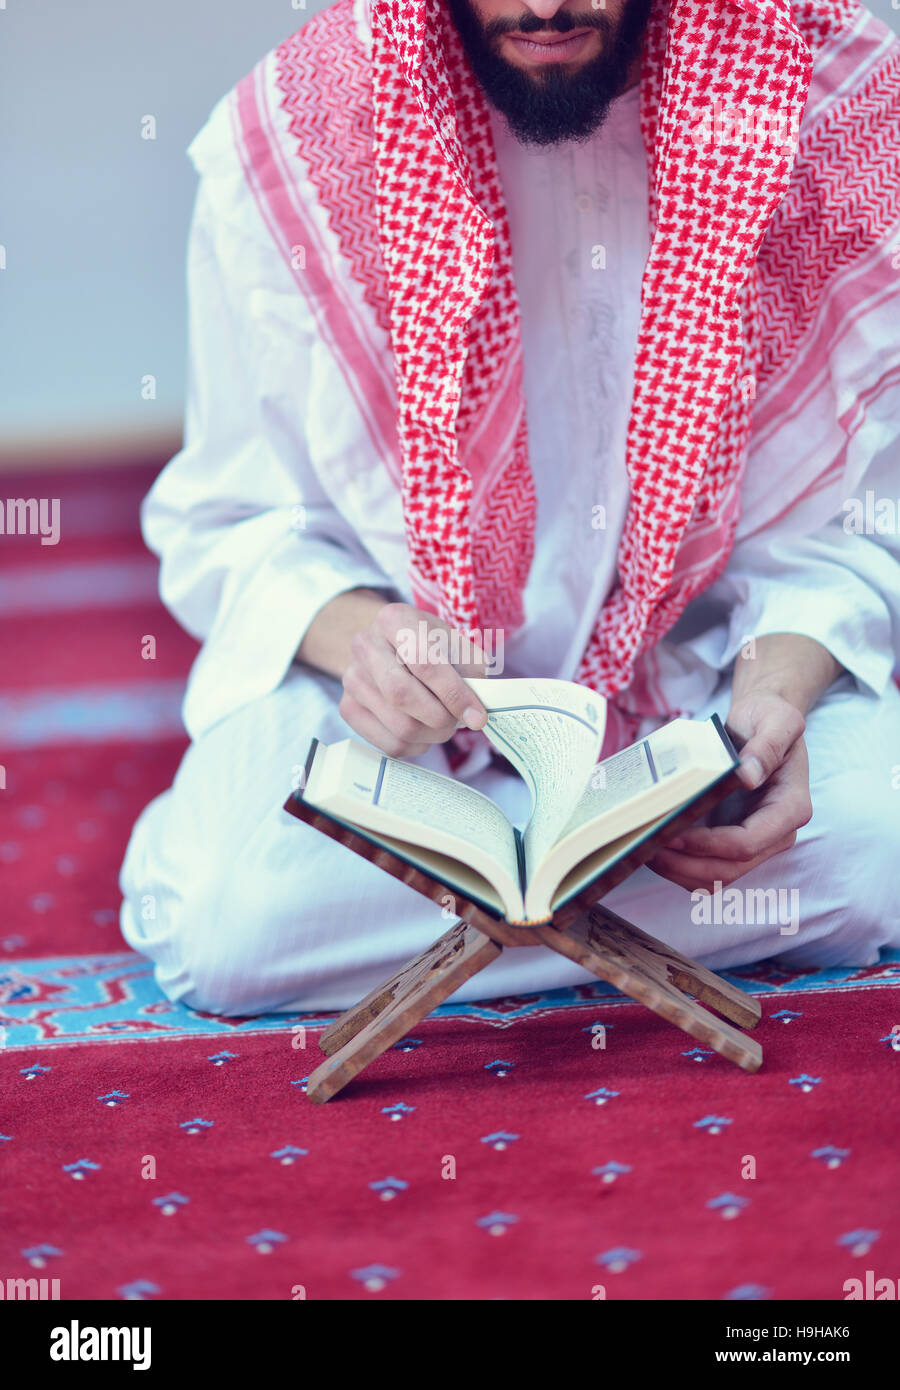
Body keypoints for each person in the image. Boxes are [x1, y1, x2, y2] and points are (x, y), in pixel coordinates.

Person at [119, 0, 900, 1016]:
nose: (542, 5)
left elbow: (864, 517)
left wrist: (777, 700)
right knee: (232, 914)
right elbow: (237, 519)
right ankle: (567, 880)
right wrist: (370, 643)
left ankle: (474, 901)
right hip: (402, 716)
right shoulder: (295, 135)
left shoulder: (839, 105)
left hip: (708, 687)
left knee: (878, 836)